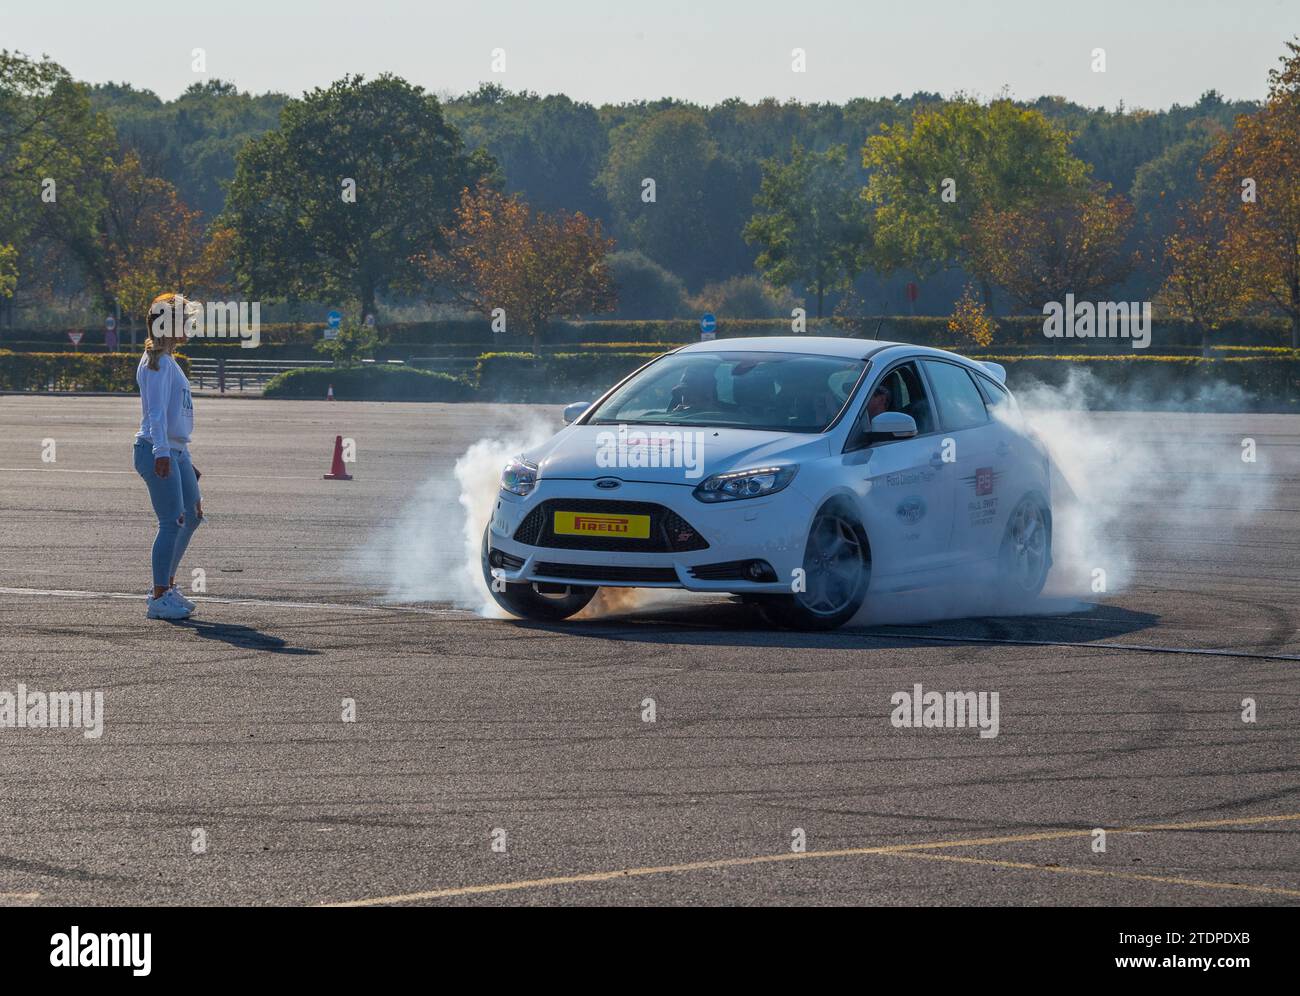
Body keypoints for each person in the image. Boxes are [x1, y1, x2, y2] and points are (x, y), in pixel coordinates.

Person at [134, 293, 203, 620]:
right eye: (184, 318)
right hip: (156, 449)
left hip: (175, 450)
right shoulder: (156, 362)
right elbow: (157, 415)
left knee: (192, 515)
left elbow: (175, 417)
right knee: (172, 521)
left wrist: (183, 456)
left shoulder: (169, 361)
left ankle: (168, 587)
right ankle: (159, 597)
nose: (190, 324)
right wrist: (163, 453)